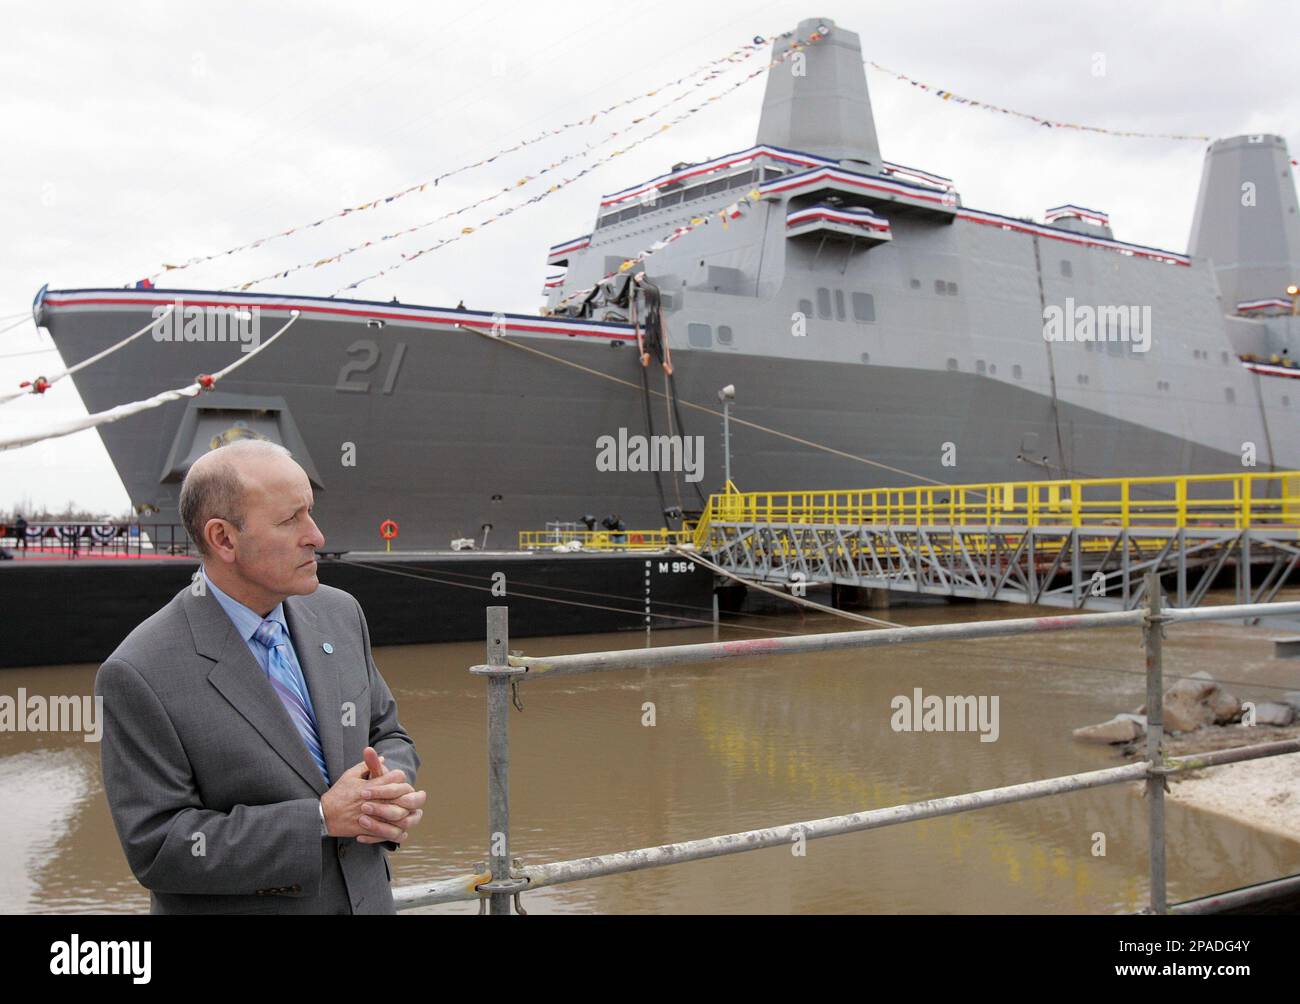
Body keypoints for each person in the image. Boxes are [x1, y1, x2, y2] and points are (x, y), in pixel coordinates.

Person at [95, 440, 425, 914]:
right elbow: (160, 848)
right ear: (223, 539)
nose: (316, 535)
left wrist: (385, 790)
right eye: (291, 520)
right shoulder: (137, 673)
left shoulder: (339, 612)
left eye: (309, 513)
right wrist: (318, 819)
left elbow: (388, 732)